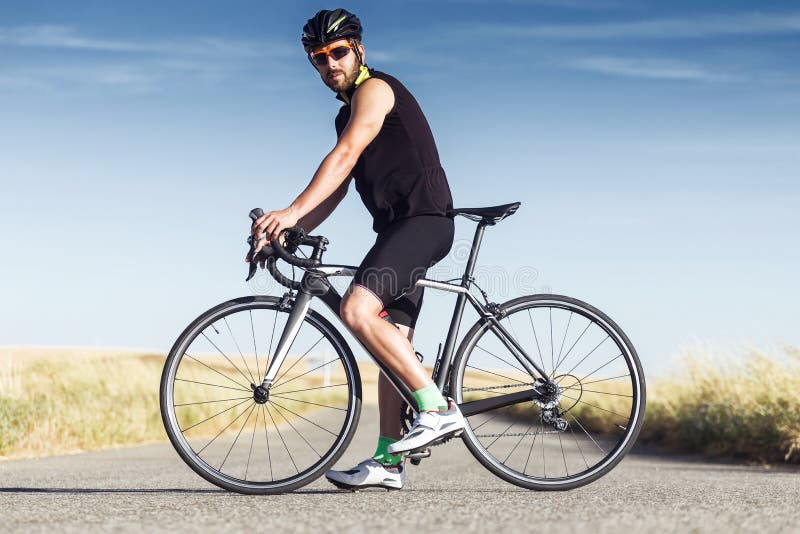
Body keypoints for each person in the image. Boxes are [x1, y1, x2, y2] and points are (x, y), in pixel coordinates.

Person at [249, 8, 464, 491]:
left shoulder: (376, 90)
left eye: (338, 52)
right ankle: (389, 462)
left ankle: (437, 409)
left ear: (359, 51)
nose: (330, 64)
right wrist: (289, 231)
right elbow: (341, 184)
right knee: (391, 346)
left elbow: (345, 154)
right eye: (319, 58)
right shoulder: (344, 113)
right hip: (397, 232)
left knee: (356, 309)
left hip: (423, 223)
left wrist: (289, 211)